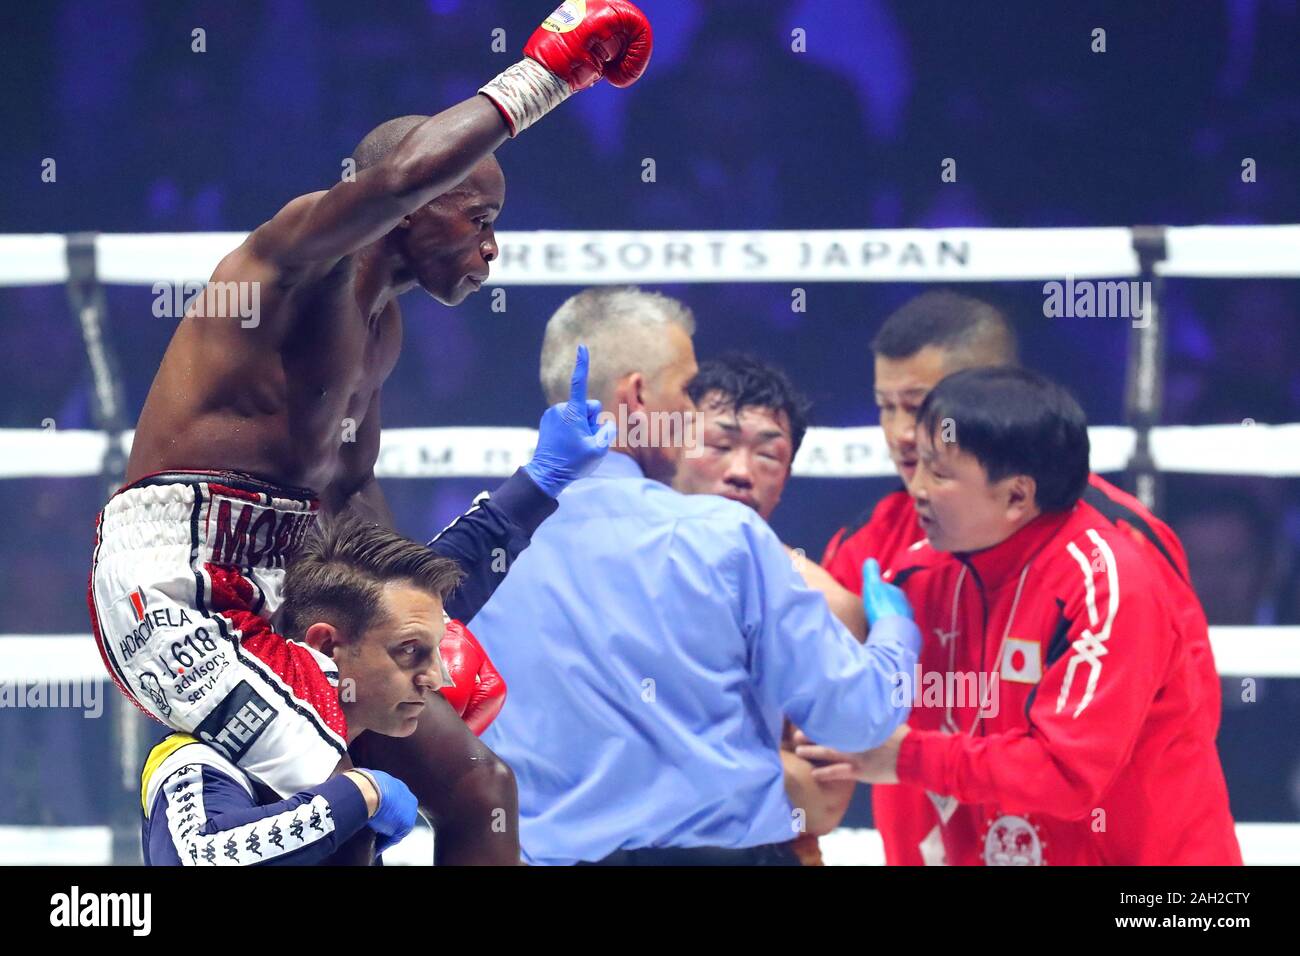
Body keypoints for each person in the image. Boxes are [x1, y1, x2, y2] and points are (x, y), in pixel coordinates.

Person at [94, 0, 651, 864]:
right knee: (340, 797)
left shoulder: (381, 329)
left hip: (285, 579)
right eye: (480, 219)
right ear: (418, 204)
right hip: (173, 588)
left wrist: (418, 621)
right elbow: (389, 183)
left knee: (479, 788)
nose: (491, 250)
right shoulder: (290, 262)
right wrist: (550, 76)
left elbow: (352, 512)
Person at [469, 287, 919, 866]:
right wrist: (897, 634)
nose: (691, 415)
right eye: (686, 391)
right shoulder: (727, 538)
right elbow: (858, 718)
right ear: (637, 395)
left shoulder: (476, 544)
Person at [820, 289, 1221, 864]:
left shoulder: (1113, 560)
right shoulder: (889, 546)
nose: (902, 433)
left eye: (921, 405)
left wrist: (908, 757)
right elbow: (811, 684)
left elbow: (1154, 734)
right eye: (887, 406)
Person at [141, 517, 459, 865]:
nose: (434, 677)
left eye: (436, 650)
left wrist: (527, 494)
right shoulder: (203, 753)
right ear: (325, 647)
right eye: (411, 650)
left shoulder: (364, 753)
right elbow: (200, 859)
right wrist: (361, 794)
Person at [672, 352, 860, 865]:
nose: (740, 472)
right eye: (719, 444)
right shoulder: (603, 575)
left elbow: (819, 803)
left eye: (767, 456)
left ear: (788, 474)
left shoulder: (823, 605)